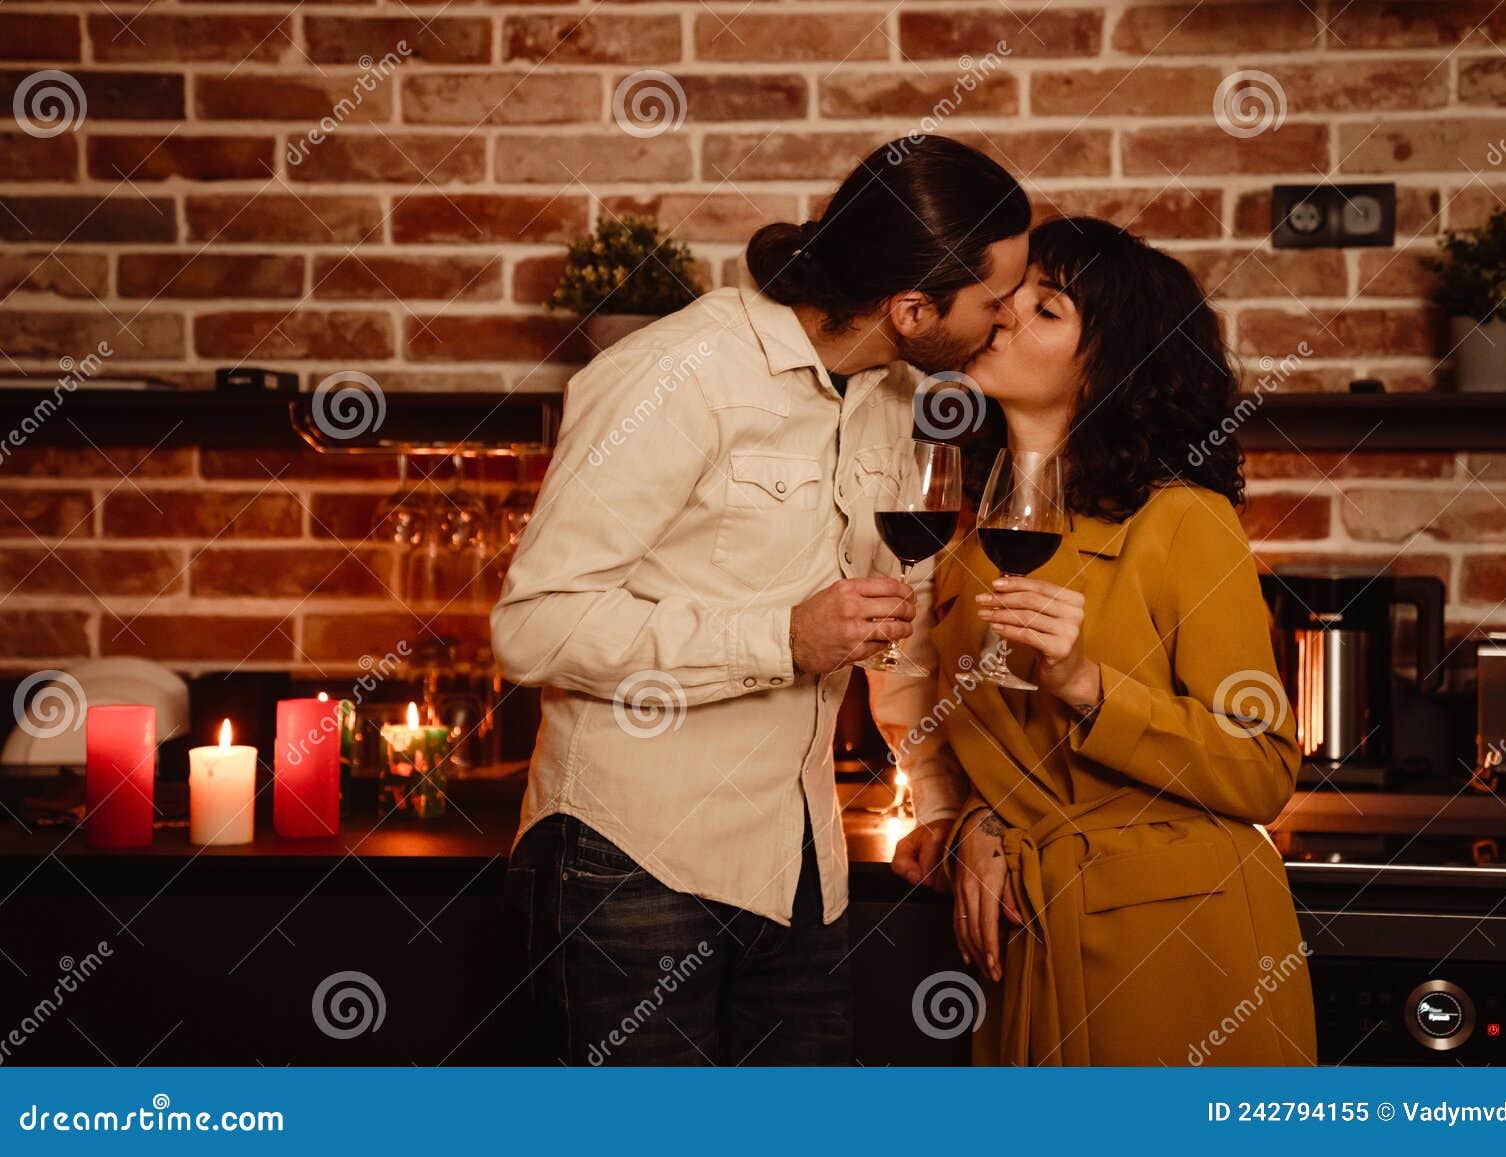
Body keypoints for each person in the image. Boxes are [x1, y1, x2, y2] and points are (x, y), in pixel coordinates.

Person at [491, 135, 1030, 1065]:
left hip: (802, 866)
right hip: (636, 863)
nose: (1009, 318)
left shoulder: (898, 398)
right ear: (912, 308)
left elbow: (894, 620)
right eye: (996, 300)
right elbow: (534, 625)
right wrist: (778, 636)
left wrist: (937, 798)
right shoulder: (676, 376)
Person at [891, 216, 1317, 1065]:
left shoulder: (1185, 521)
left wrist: (1090, 685)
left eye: (1046, 311)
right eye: (1009, 299)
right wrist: (978, 820)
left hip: (1184, 949)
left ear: (1109, 370)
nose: (1003, 317)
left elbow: (1264, 766)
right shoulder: (965, 552)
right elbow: (1003, 752)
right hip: (1030, 946)